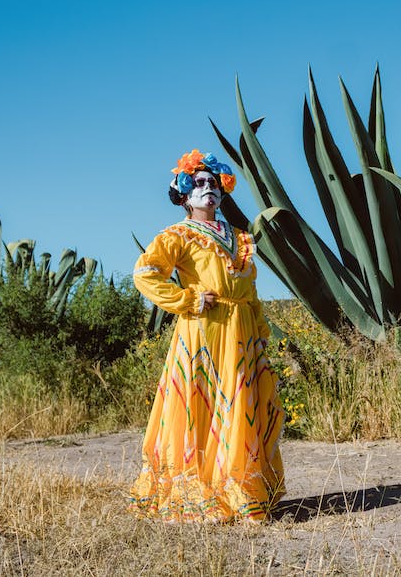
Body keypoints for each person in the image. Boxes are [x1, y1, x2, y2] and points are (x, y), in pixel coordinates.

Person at [128, 148, 284, 523]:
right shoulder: (177, 236)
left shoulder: (241, 237)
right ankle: (199, 492)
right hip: (202, 331)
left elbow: (250, 292)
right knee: (200, 406)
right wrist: (188, 299)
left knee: (242, 404)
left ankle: (241, 490)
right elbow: (145, 274)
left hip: (241, 333)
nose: (207, 189)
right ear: (183, 193)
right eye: (197, 183)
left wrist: (261, 331)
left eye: (212, 183)